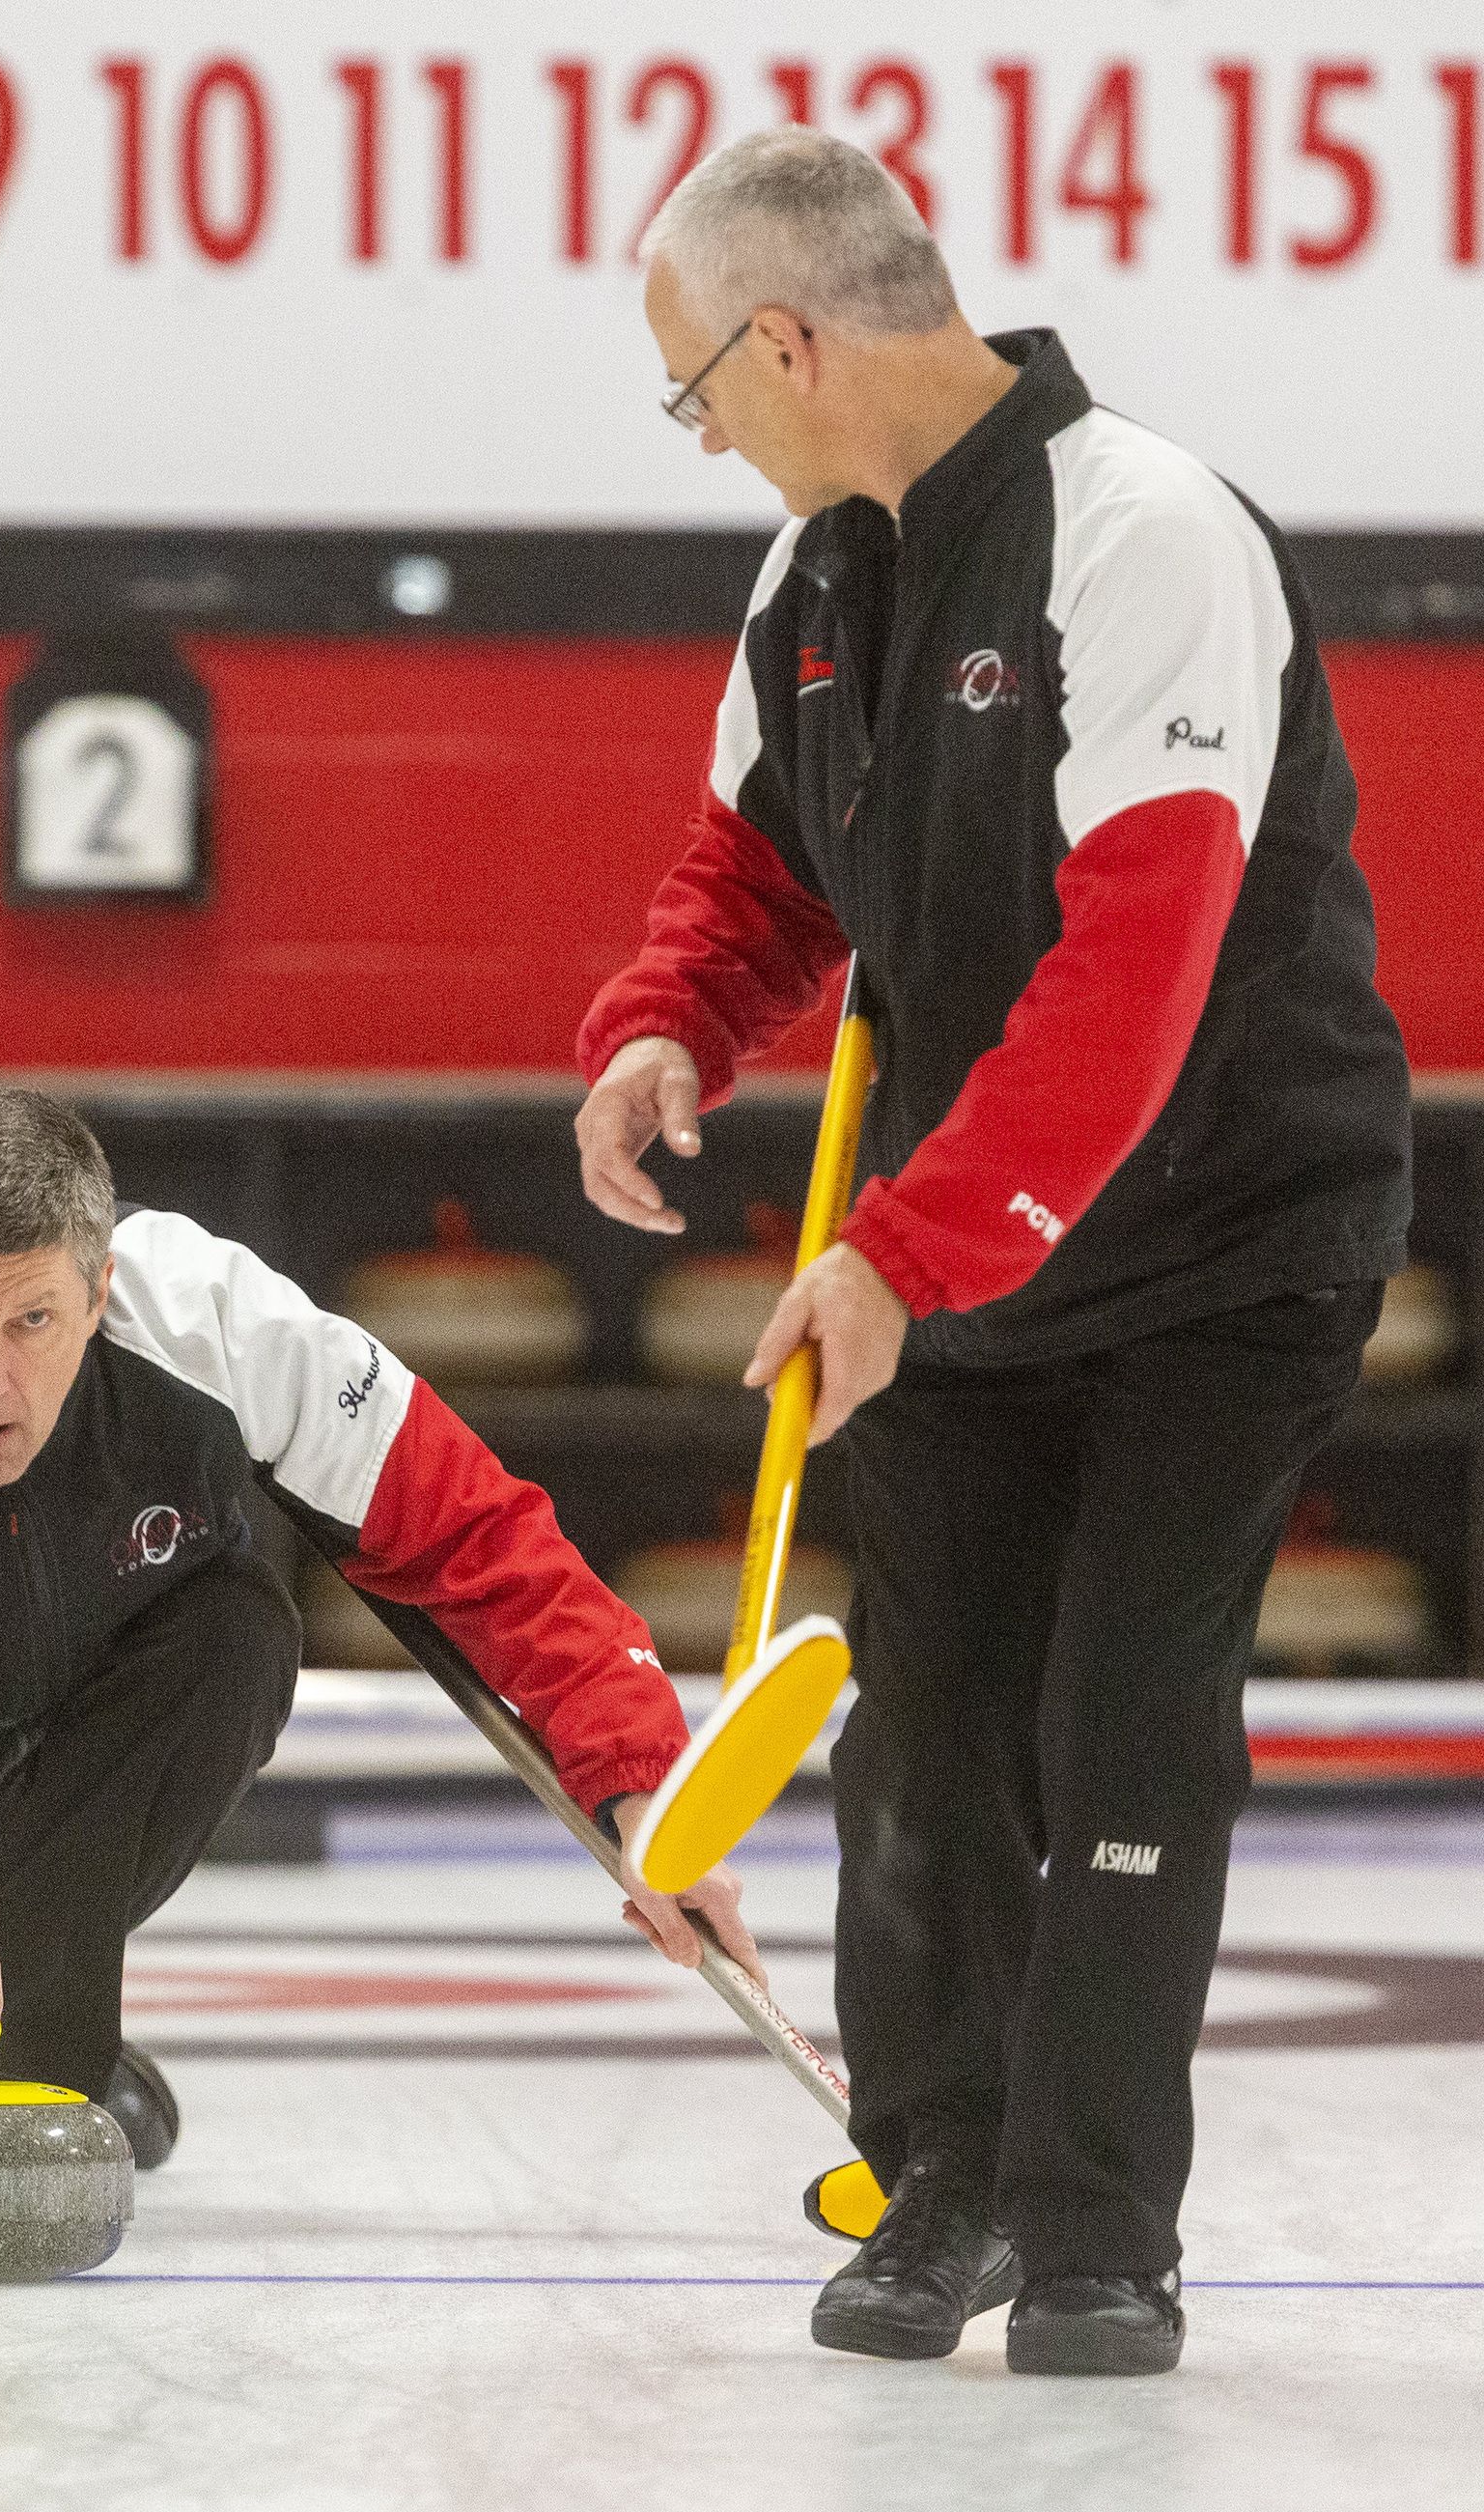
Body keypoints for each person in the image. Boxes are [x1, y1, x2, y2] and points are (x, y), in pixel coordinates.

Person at [575, 131, 1410, 2376]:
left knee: (1125, 1716)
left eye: (694, 390)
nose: (702, 435)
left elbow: (1133, 975)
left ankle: (1098, 2226)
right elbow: (759, 872)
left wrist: (901, 1252)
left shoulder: (1143, 534)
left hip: (1227, 1245)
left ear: (785, 340)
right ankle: (935, 2179)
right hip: (962, 1249)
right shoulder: (808, 584)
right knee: (923, 1733)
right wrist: (666, 1025)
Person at [0, 1084, 760, 2159]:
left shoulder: (217, 1314)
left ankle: (44, 2032)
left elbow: (482, 1538)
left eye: (32, 1319)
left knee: (240, 1627)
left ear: (100, 1288)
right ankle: (46, 2030)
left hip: (127, 1712)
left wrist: (644, 1790)